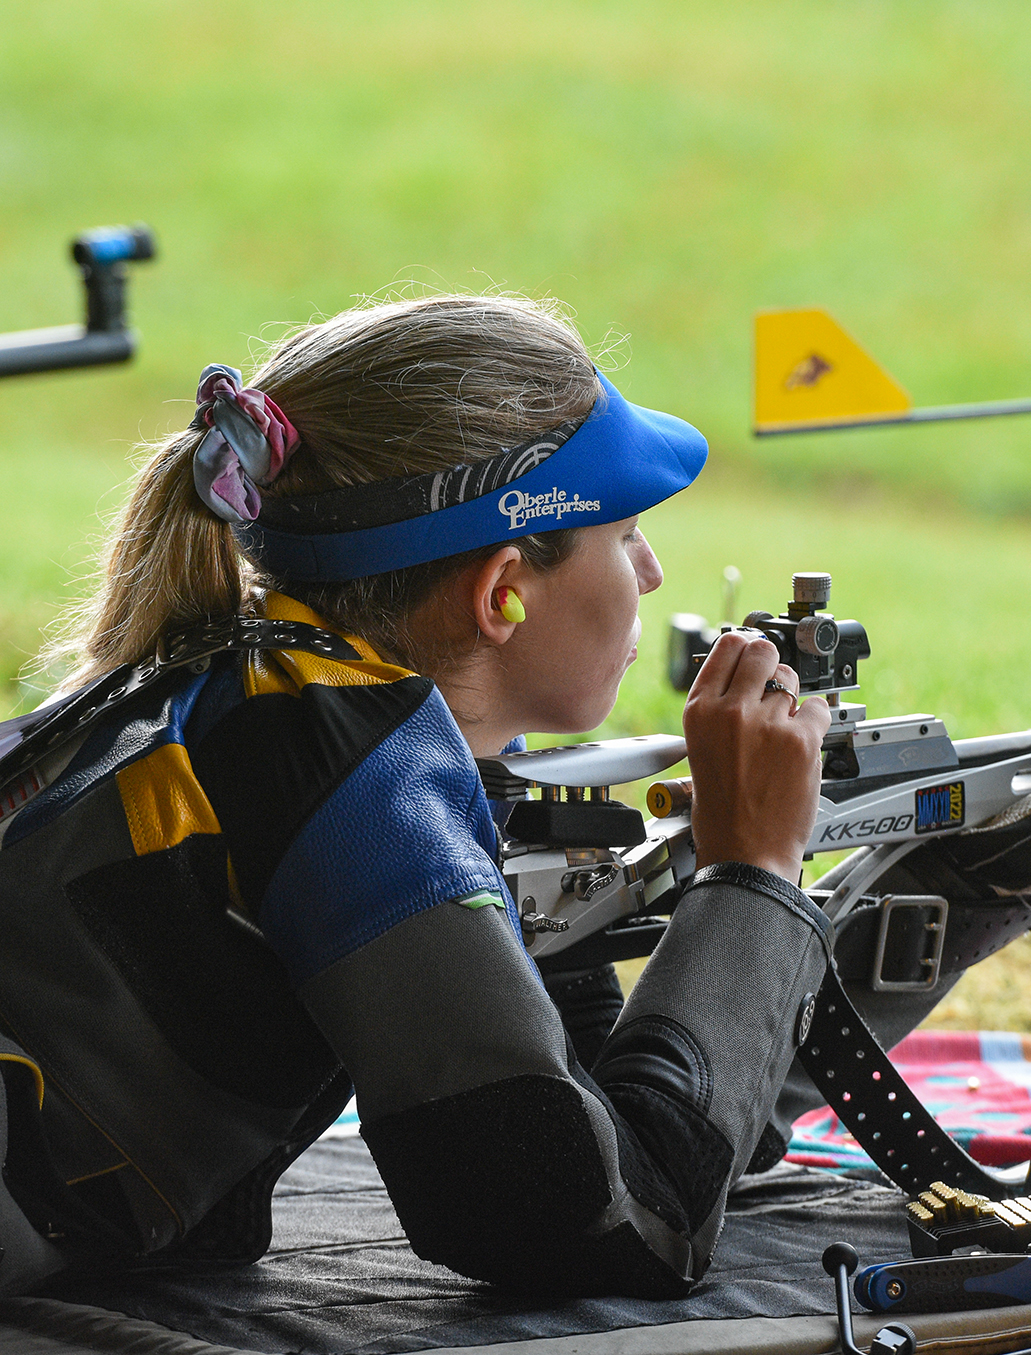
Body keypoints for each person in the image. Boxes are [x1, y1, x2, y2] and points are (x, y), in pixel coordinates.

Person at [0, 295, 834, 1299]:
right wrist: (752, 866)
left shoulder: (250, 683)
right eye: (626, 533)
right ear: (501, 593)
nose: (652, 572)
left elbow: (631, 1113)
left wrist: (976, 882)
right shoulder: (355, 772)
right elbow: (582, 1218)